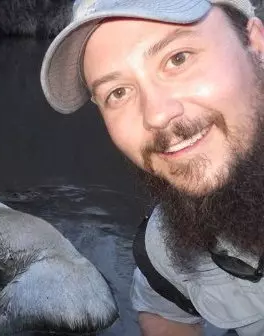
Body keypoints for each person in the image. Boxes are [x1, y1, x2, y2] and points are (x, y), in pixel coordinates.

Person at [40, 0, 264, 335]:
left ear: (256, 45)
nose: (156, 115)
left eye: (178, 58)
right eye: (118, 92)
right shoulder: (165, 246)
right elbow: (163, 308)